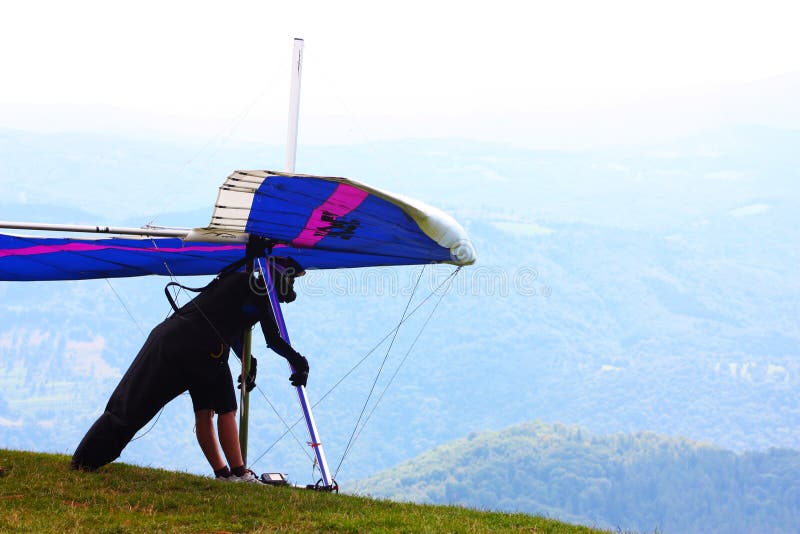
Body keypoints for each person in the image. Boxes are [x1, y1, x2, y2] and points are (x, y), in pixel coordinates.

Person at [70, 257, 309, 482]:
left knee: (144, 407)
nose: (292, 287)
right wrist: (299, 362)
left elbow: (230, 325)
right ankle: (238, 472)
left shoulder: (239, 282)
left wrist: (248, 361)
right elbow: (273, 340)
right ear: (281, 278)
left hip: (174, 340)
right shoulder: (259, 295)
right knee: (226, 408)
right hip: (198, 351)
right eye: (292, 280)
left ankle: (85, 460)